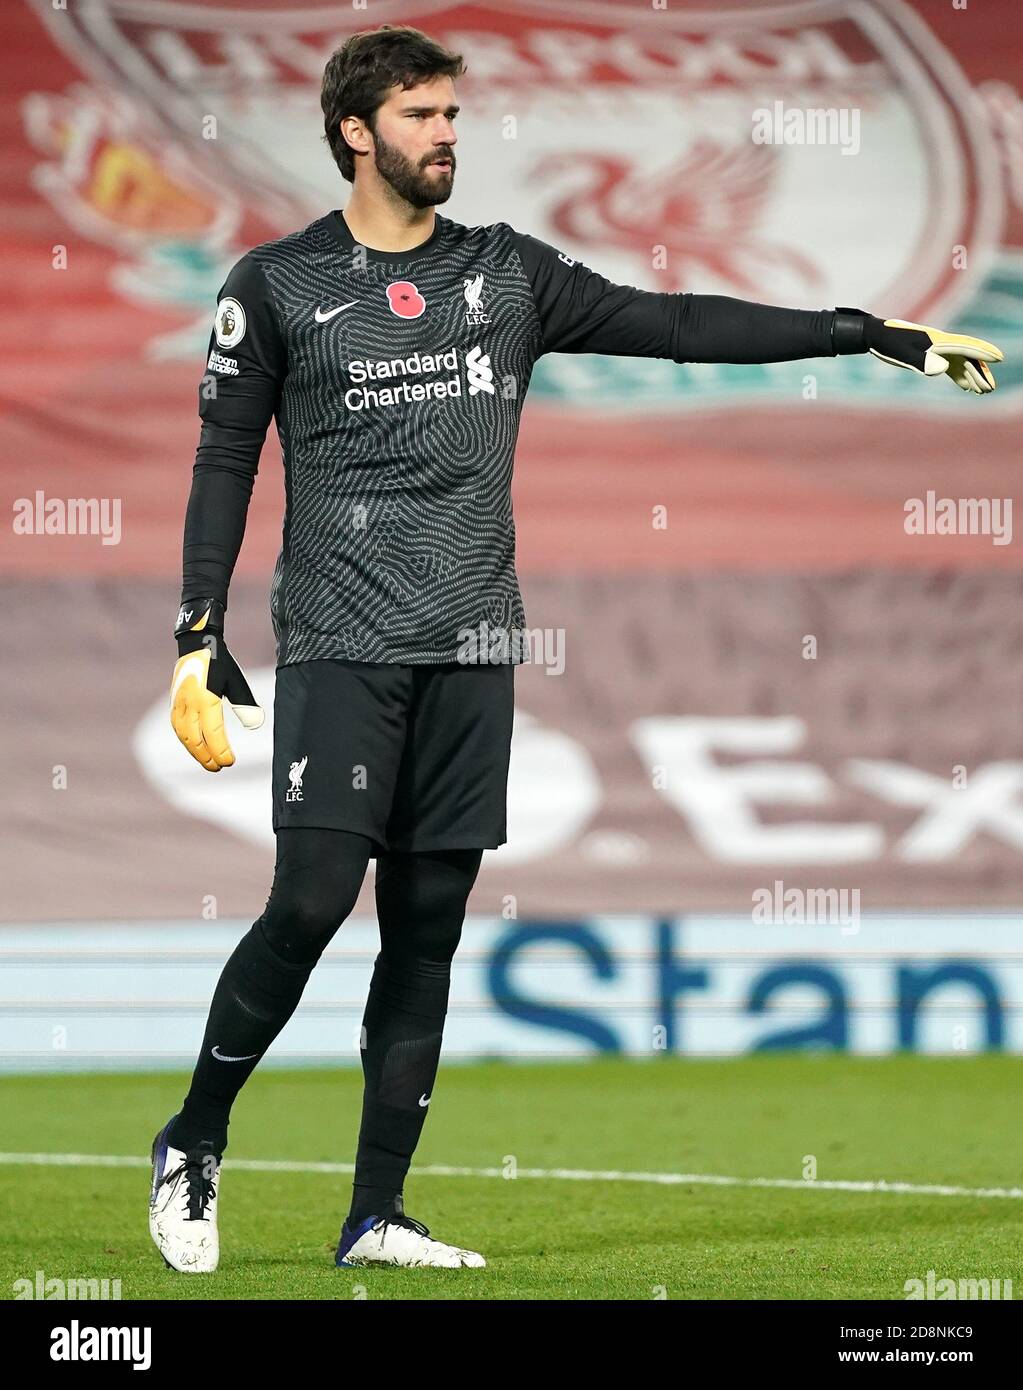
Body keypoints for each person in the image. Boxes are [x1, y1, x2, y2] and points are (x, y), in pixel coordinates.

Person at [150, 23, 1004, 1274]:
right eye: (424, 117)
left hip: (476, 641)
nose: (450, 135)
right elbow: (225, 461)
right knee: (317, 898)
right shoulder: (274, 285)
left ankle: (375, 1211)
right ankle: (195, 1138)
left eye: (453, 114)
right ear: (356, 133)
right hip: (340, 640)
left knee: (429, 921)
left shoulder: (506, 274)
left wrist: (865, 332)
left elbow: (675, 320)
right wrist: (196, 631)